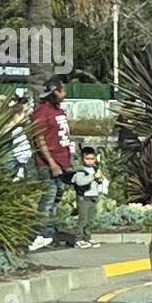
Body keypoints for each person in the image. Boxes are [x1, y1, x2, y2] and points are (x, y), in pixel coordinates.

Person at [28, 76, 72, 252]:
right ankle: (41, 234)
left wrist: (67, 162)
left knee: (57, 198)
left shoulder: (59, 111)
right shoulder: (41, 112)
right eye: (62, 89)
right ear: (55, 92)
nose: (65, 92)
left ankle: (51, 233)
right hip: (48, 164)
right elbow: (39, 139)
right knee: (48, 197)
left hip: (62, 161)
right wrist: (52, 163)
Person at [70, 146, 108, 248]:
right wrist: (93, 177)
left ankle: (87, 238)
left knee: (90, 219)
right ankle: (78, 239)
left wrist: (100, 180)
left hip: (93, 197)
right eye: (87, 159)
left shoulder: (94, 169)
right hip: (84, 197)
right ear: (82, 158)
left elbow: (98, 182)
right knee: (83, 219)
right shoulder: (80, 171)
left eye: (92, 159)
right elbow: (80, 182)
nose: (90, 161)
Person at [7, 90, 32, 180]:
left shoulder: (20, 127)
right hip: (15, 158)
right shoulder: (12, 129)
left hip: (22, 157)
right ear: (16, 115)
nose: (24, 116)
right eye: (22, 114)